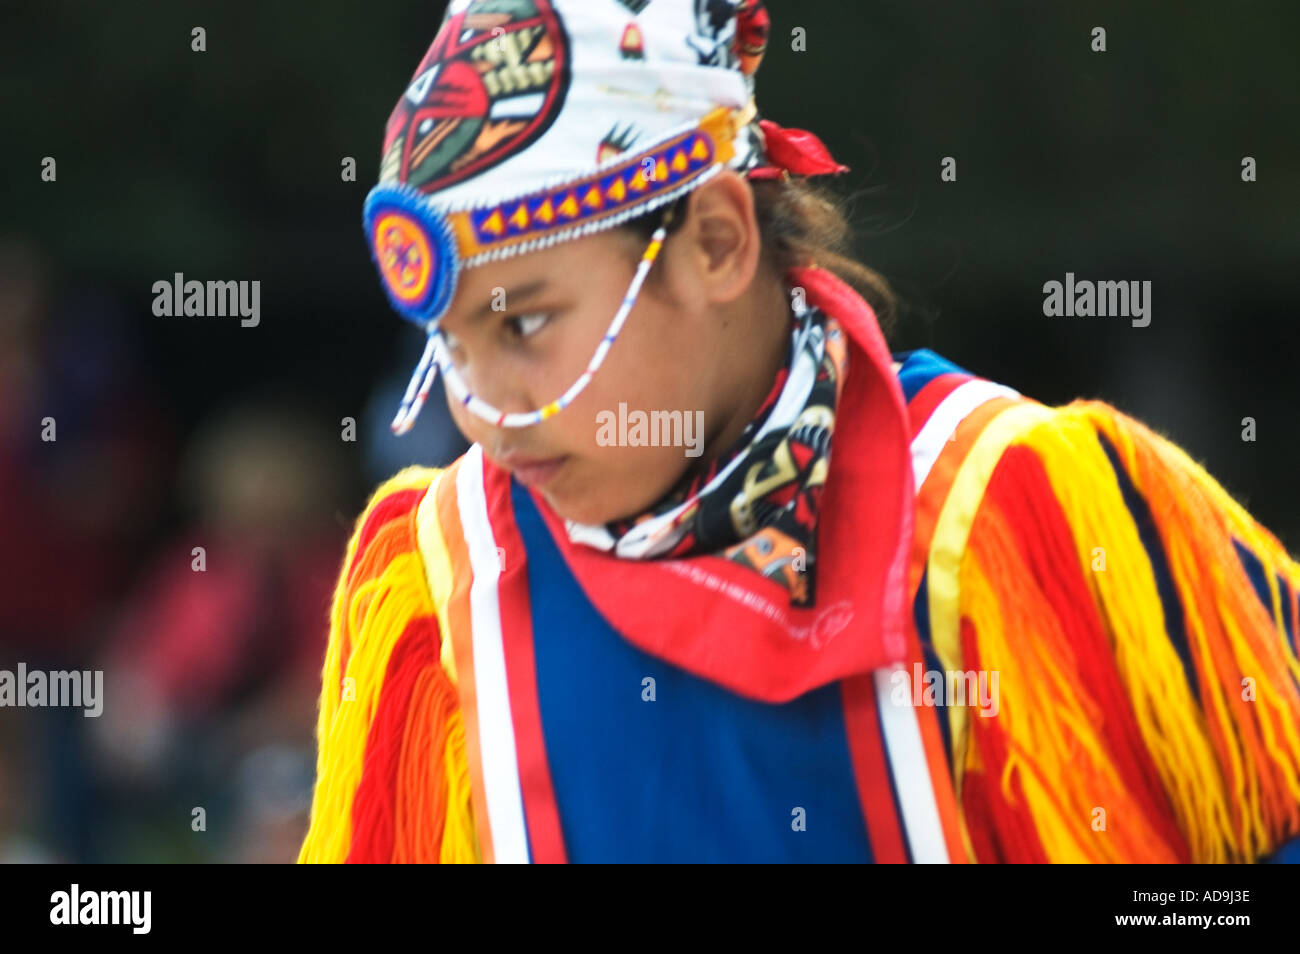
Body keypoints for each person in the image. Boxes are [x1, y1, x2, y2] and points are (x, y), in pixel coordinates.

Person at [298, 0, 1300, 863]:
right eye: (450, 346)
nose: (482, 412)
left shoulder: (1001, 514)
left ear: (718, 243)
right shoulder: (446, 590)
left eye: (522, 323)